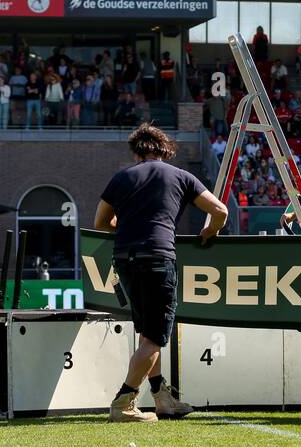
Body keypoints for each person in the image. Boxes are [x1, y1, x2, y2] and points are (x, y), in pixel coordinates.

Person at [95, 123, 229, 423]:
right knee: (155, 337)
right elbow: (221, 211)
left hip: (125, 259)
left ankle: (162, 399)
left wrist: (127, 226)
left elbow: (101, 222)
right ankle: (123, 402)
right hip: (158, 257)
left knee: (146, 334)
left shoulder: (122, 177)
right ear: (165, 150)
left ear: (136, 151)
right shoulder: (181, 176)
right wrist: (210, 231)